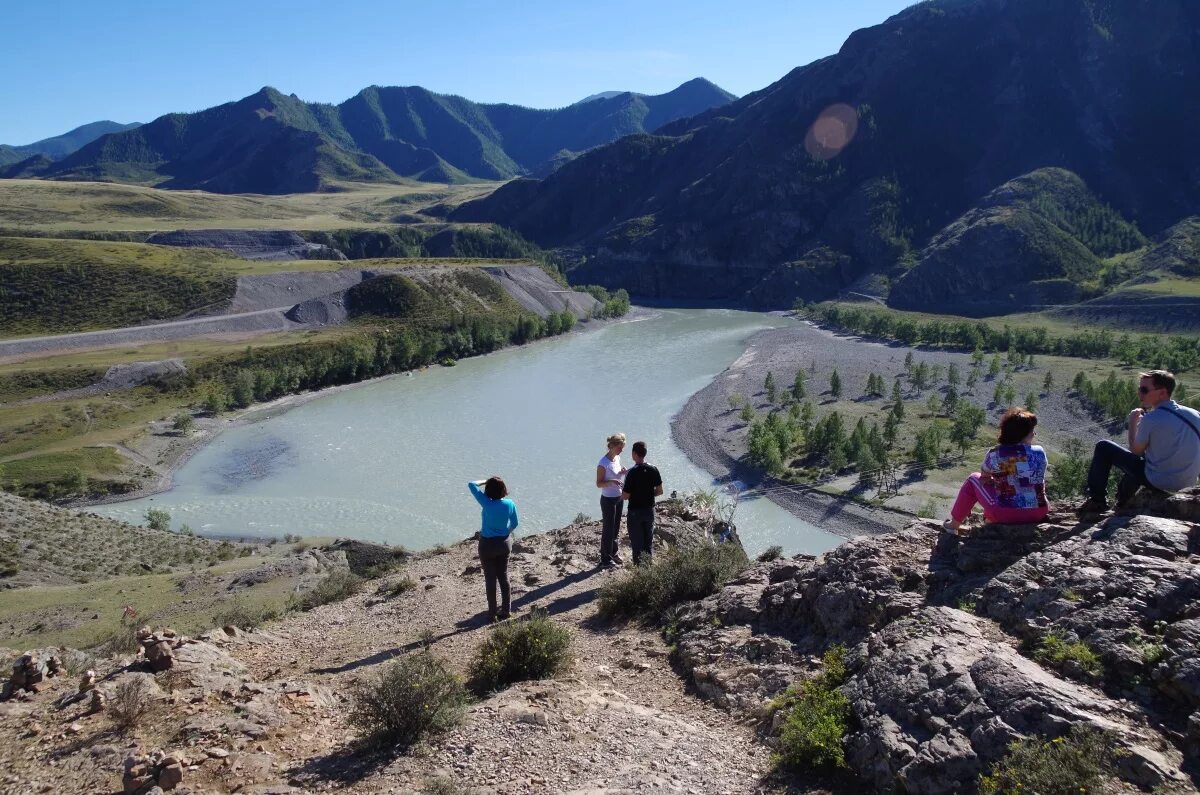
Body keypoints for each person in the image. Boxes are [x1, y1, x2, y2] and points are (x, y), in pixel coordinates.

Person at [1078, 369, 1200, 513]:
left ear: (1162, 392)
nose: (1139, 393)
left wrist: (1132, 424)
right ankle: (1122, 501)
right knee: (1141, 463)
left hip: (1160, 482)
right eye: (1139, 389)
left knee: (1104, 447)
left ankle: (1097, 501)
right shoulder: (1195, 414)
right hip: (1187, 483)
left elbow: (1135, 451)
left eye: (1144, 390)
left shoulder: (1151, 418)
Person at [943, 408, 1048, 534]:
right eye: (1031, 431)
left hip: (1006, 514)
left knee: (973, 479)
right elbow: (1031, 477)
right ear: (1022, 434)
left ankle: (953, 525)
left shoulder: (995, 454)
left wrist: (998, 479)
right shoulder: (1039, 452)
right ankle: (990, 519)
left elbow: (984, 476)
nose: (1033, 434)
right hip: (1038, 512)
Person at [468, 477, 519, 622]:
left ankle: (491, 614)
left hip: (487, 545)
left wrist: (486, 480)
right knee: (503, 576)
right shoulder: (510, 504)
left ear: (488, 491)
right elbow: (515, 523)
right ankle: (506, 611)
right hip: (504, 544)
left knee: (490, 579)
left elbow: (471, 484)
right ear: (503, 489)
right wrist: (505, 533)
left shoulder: (486, 503)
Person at [621, 441, 663, 565]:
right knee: (648, 542)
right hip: (649, 510)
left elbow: (625, 496)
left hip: (635, 512)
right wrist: (648, 494)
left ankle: (639, 575)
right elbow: (660, 491)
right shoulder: (653, 469)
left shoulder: (632, 473)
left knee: (637, 544)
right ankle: (648, 572)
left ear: (634, 454)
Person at [596, 432, 628, 568]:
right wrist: (611, 481)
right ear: (613, 446)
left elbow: (616, 473)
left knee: (615, 528)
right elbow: (599, 483)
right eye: (620, 447)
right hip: (608, 500)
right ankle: (605, 559)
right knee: (608, 529)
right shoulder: (603, 463)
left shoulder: (617, 459)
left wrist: (622, 472)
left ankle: (613, 553)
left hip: (619, 498)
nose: (622, 450)